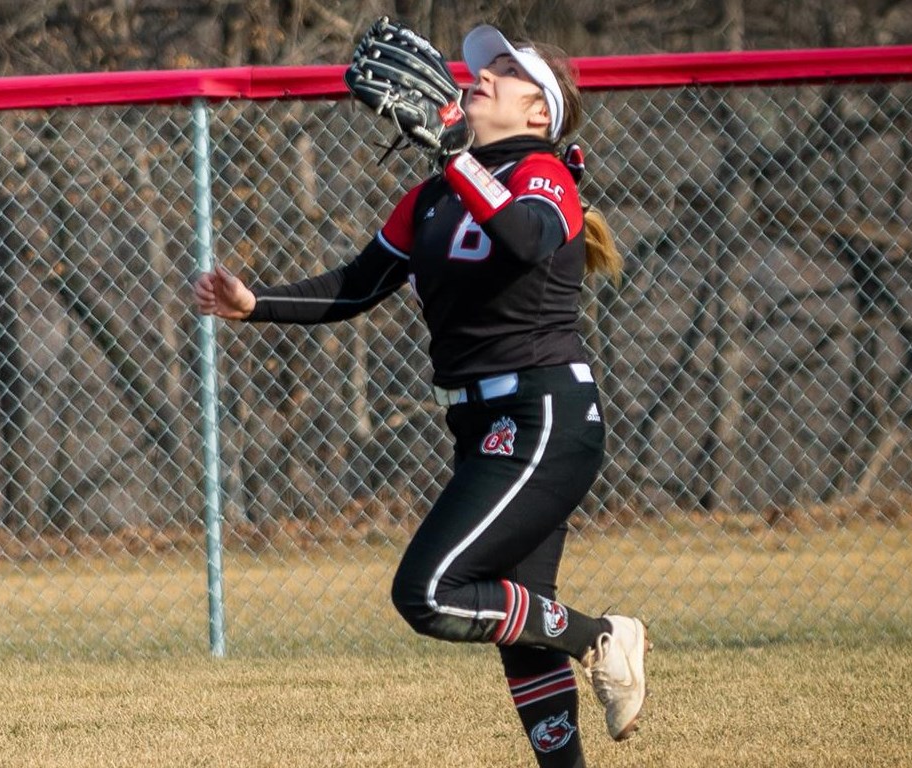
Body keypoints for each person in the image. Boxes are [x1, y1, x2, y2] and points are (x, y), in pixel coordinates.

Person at [193, 23, 648, 766]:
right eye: (482, 67)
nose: (481, 76)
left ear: (540, 114)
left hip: (542, 416)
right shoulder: (436, 193)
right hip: (483, 424)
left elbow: (528, 239)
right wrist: (255, 303)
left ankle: (600, 634)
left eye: (503, 71)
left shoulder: (544, 174)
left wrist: (456, 156)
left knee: (430, 593)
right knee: (518, 627)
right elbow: (359, 285)